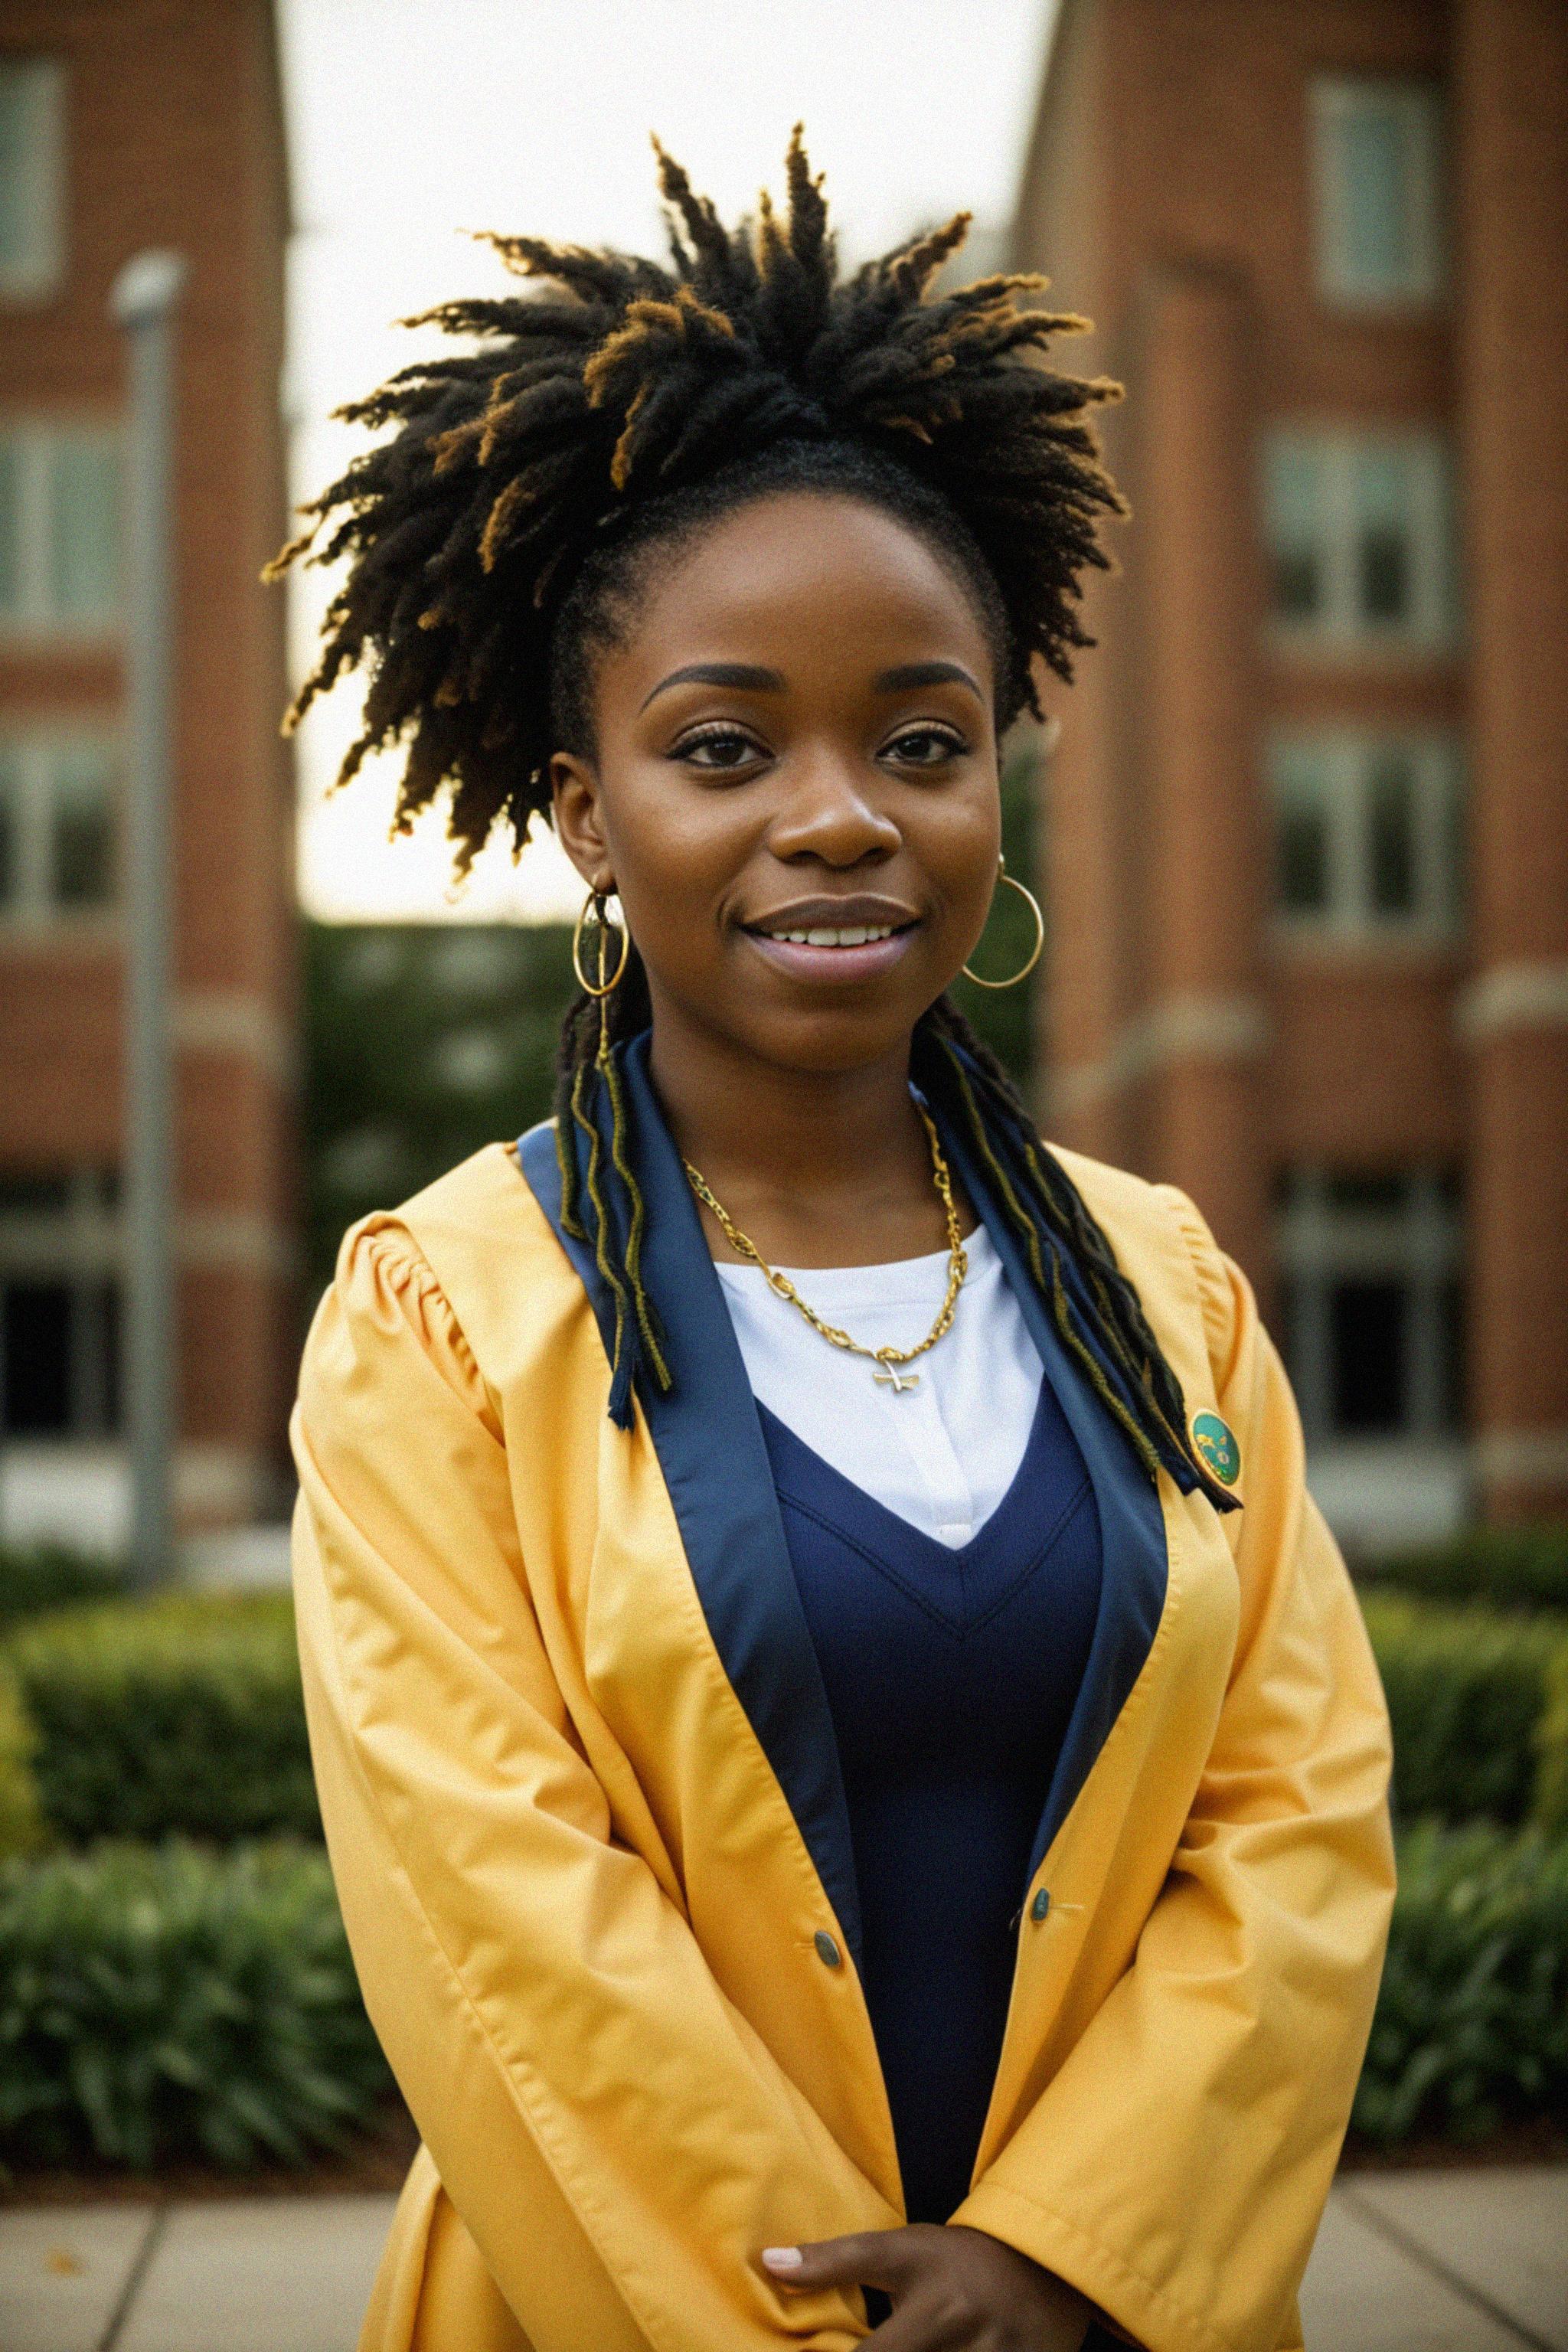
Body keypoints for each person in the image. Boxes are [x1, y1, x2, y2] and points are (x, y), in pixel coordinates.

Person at [279, 133, 1394, 2352]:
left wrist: (1072, 2260)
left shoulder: (1160, 1287)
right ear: (588, 812)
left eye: (921, 737)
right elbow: (492, 1912)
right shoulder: (445, 1319)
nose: (841, 813)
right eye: (723, 745)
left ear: (996, 782)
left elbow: (1298, 1825)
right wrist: (831, 2322)